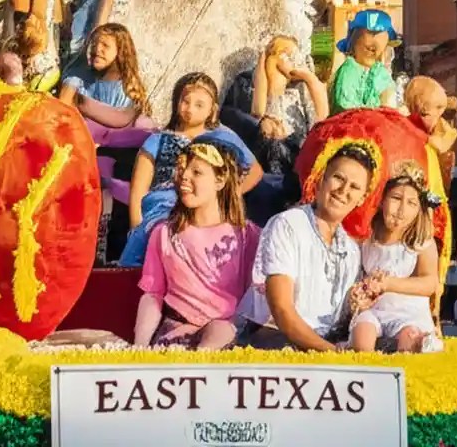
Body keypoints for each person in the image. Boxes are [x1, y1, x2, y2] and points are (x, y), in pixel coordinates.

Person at [237, 144, 374, 351]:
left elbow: (342, 321)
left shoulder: (351, 249)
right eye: (338, 178)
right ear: (321, 180)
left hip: (328, 341)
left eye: (354, 187)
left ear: (361, 199)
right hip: (279, 339)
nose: (343, 191)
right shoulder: (287, 224)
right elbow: (282, 310)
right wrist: (332, 352)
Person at [120, 73, 262, 267]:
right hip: (163, 207)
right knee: (142, 244)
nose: (189, 109)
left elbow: (255, 171)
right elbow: (138, 190)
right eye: (185, 101)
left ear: (212, 110)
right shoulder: (158, 140)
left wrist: (229, 194)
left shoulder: (223, 138)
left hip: (208, 208)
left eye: (199, 105)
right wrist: (136, 226)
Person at [133, 143, 260, 350]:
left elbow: (255, 296)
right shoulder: (165, 234)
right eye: (182, 169)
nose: (184, 176)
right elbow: (153, 294)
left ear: (220, 180)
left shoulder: (247, 236)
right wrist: (139, 347)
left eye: (197, 172)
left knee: (220, 331)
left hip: (226, 336)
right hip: (175, 333)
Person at [348, 173, 443, 353]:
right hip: (375, 311)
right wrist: (361, 294)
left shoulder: (421, 243)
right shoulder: (367, 241)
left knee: (409, 338)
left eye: (411, 203)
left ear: (418, 210)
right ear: (383, 201)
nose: (401, 209)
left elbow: (429, 283)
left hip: (408, 314)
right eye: (396, 198)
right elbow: (361, 278)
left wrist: (389, 284)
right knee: (362, 334)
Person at [59, 22, 151, 128]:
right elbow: (63, 106)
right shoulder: (79, 78)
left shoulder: (124, 91)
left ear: (120, 52)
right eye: (94, 44)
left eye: (105, 45)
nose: (97, 49)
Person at [329, 9, 398, 112]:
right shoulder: (349, 70)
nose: (371, 53)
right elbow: (345, 105)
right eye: (371, 34)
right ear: (354, 41)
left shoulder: (380, 73)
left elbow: (389, 100)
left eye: (375, 50)